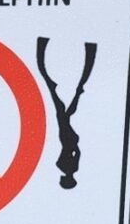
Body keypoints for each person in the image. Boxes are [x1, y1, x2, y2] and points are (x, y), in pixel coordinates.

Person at [36, 38, 97, 190]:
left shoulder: (66, 167)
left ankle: (59, 85)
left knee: (64, 111)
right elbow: (76, 153)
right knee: (63, 111)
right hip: (67, 137)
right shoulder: (64, 167)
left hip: (69, 138)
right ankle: (57, 86)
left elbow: (77, 153)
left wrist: (73, 146)